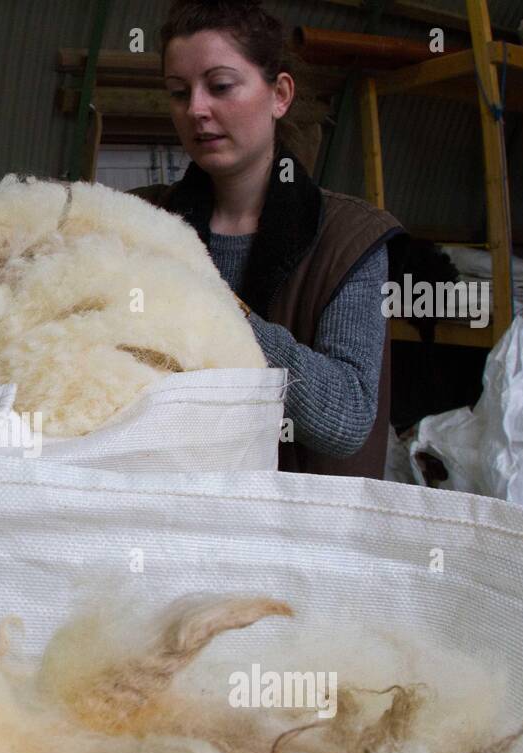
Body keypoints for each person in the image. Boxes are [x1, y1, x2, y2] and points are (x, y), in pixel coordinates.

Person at [131, 0, 404, 478]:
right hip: (170, 506)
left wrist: (218, 311)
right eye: (178, 92)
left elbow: (346, 418)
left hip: (292, 529)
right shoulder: (141, 220)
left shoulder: (349, 238)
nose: (196, 109)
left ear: (279, 94)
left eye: (220, 86)